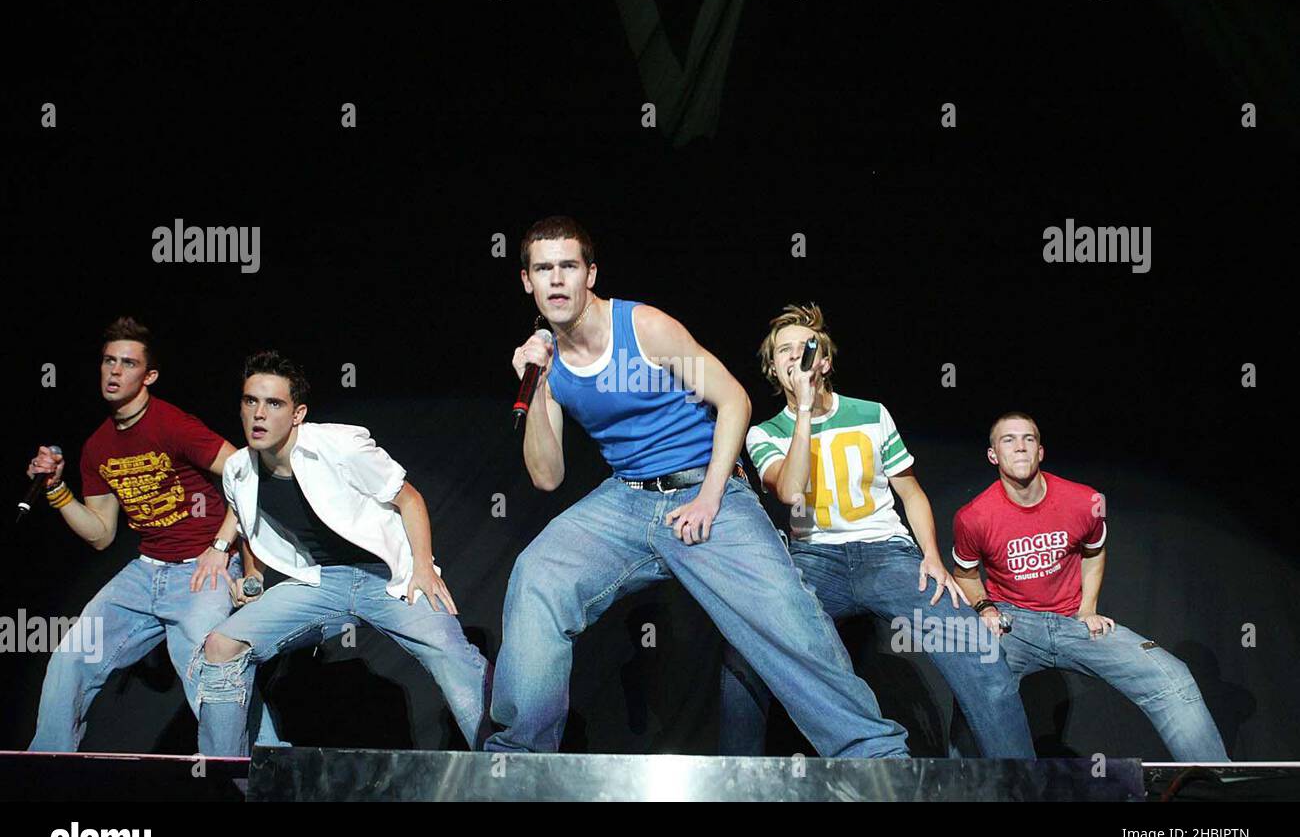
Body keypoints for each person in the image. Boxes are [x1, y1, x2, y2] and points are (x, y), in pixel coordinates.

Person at [485, 216, 909, 757]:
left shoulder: (644, 328)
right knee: (538, 573)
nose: (557, 280)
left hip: (707, 487)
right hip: (626, 497)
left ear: (590, 274)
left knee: (787, 618)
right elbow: (547, 476)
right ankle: (518, 760)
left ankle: (875, 755)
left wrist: (709, 496)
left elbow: (734, 399)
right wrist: (539, 386)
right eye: (544, 269)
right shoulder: (546, 362)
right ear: (527, 281)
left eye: (568, 266)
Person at [720, 304, 1034, 757]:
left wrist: (931, 555)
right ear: (774, 368)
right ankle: (733, 784)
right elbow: (789, 490)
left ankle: (1019, 781)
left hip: (887, 552)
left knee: (976, 647)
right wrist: (804, 411)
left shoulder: (871, 414)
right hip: (813, 558)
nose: (794, 357)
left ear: (823, 360)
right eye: (782, 352)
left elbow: (911, 493)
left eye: (804, 348)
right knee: (745, 646)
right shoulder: (763, 432)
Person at [188, 351, 491, 755]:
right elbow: (248, 527)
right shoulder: (239, 471)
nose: (258, 414)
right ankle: (233, 777)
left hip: (386, 577)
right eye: (250, 401)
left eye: (273, 403)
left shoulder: (340, 444)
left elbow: (410, 499)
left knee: (450, 652)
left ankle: (514, 767)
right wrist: (253, 578)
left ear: (298, 414)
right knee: (221, 646)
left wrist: (423, 567)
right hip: (320, 582)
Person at [25, 317, 265, 751]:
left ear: (148, 376)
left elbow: (247, 473)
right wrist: (57, 490)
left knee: (215, 679)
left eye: (128, 364)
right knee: (70, 659)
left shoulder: (172, 424)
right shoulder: (98, 445)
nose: (115, 372)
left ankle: (254, 777)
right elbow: (100, 533)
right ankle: (45, 770)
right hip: (145, 573)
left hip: (200, 572)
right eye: (108, 362)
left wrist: (220, 547)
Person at [950, 412, 1229, 761]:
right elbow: (965, 574)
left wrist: (1087, 609)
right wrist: (985, 608)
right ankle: (961, 788)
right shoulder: (973, 517)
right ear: (993, 455)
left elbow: (1094, 552)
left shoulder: (1084, 501)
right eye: (1008, 440)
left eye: (1029, 439)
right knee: (972, 682)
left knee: (1170, 675)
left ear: (1040, 452)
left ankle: (1211, 782)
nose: (1020, 447)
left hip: (1073, 621)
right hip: (1014, 625)